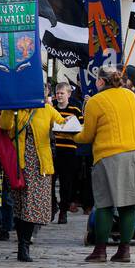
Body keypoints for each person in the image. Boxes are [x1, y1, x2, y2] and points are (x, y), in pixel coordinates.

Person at [74, 68, 135, 263]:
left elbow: (87, 135)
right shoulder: (131, 96)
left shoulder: (96, 101)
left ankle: (100, 250)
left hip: (110, 154)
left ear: (100, 81)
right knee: (128, 205)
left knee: (104, 204)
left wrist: (71, 133)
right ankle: (124, 250)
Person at [0, 99, 65, 263]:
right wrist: (10, 107)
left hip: (40, 165)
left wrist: (71, 122)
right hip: (18, 166)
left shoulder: (47, 109)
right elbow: (4, 126)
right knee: (20, 206)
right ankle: (22, 244)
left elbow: (62, 125)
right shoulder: (15, 108)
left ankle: (25, 245)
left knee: (31, 208)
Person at [51, 82, 84, 223]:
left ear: (69, 94)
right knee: (50, 181)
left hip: (69, 150)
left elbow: (82, 127)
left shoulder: (75, 109)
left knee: (66, 182)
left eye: (62, 93)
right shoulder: (51, 108)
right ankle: (52, 207)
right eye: (57, 93)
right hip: (53, 149)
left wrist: (73, 124)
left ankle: (63, 210)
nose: (59, 96)